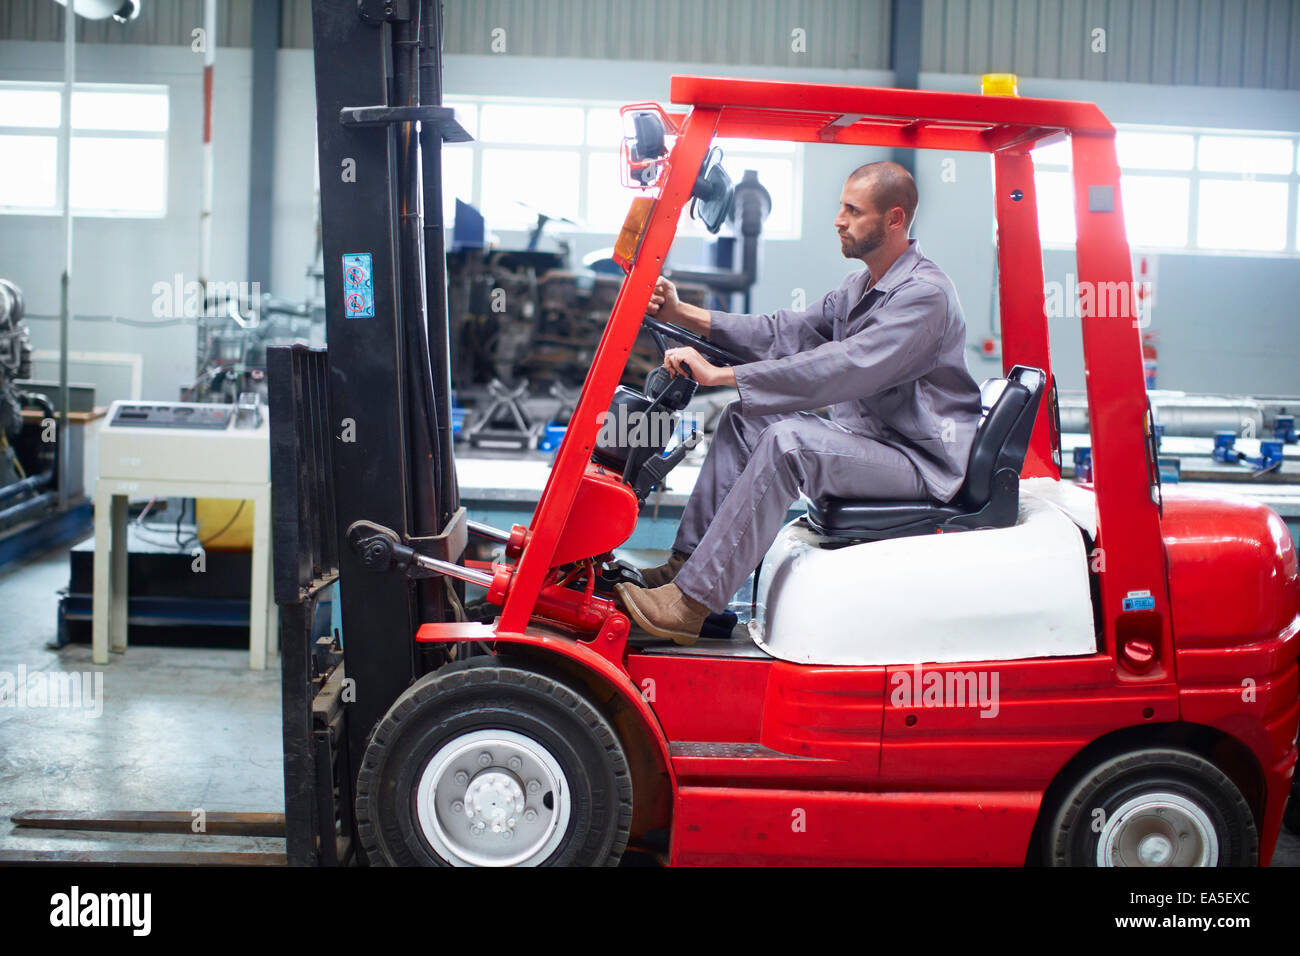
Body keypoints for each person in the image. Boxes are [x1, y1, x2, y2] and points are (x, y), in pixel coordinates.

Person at [614, 160, 983, 644]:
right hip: (874, 443)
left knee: (791, 442)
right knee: (748, 417)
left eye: (853, 210)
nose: (838, 219)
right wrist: (685, 314)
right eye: (840, 207)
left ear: (895, 220)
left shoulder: (924, 296)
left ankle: (691, 603)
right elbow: (785, 333)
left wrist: (722, 374)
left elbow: (844, 366)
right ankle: (686, 566)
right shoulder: (861, 286)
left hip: (920, 463)